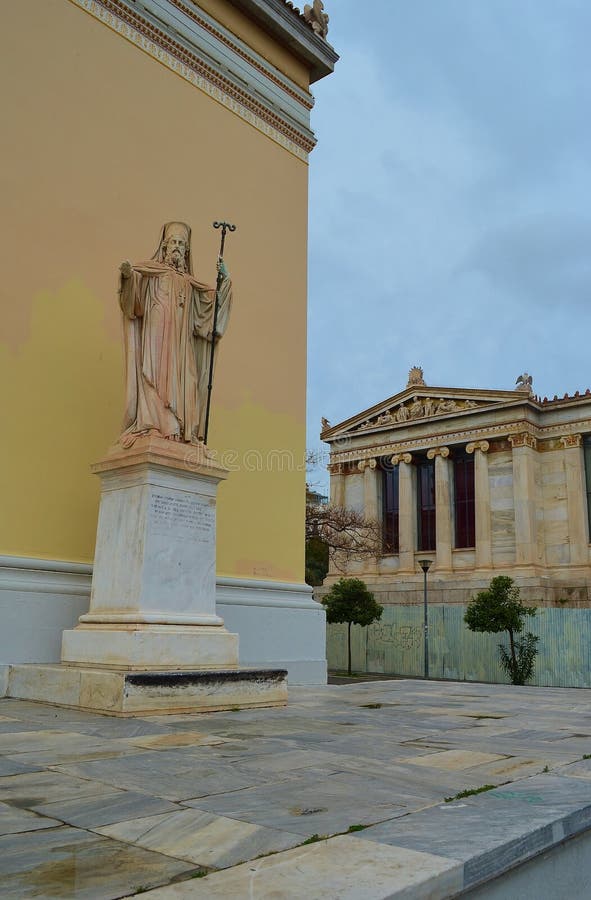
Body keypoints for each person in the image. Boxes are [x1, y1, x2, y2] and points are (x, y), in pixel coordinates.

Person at [118, 221, 232, 446]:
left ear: (186, 250)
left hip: (181, 348)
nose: (177, 247)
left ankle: (179, 430)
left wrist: (224, 281)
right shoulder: (151, 274)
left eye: (181, 244)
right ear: (164, 247)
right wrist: (129, 277)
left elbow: (208, 318)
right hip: (155, 343)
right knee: (153, 378)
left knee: (186, 382)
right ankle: (155, 425)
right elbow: (134, 306)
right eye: (173, 243)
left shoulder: (191, 285)